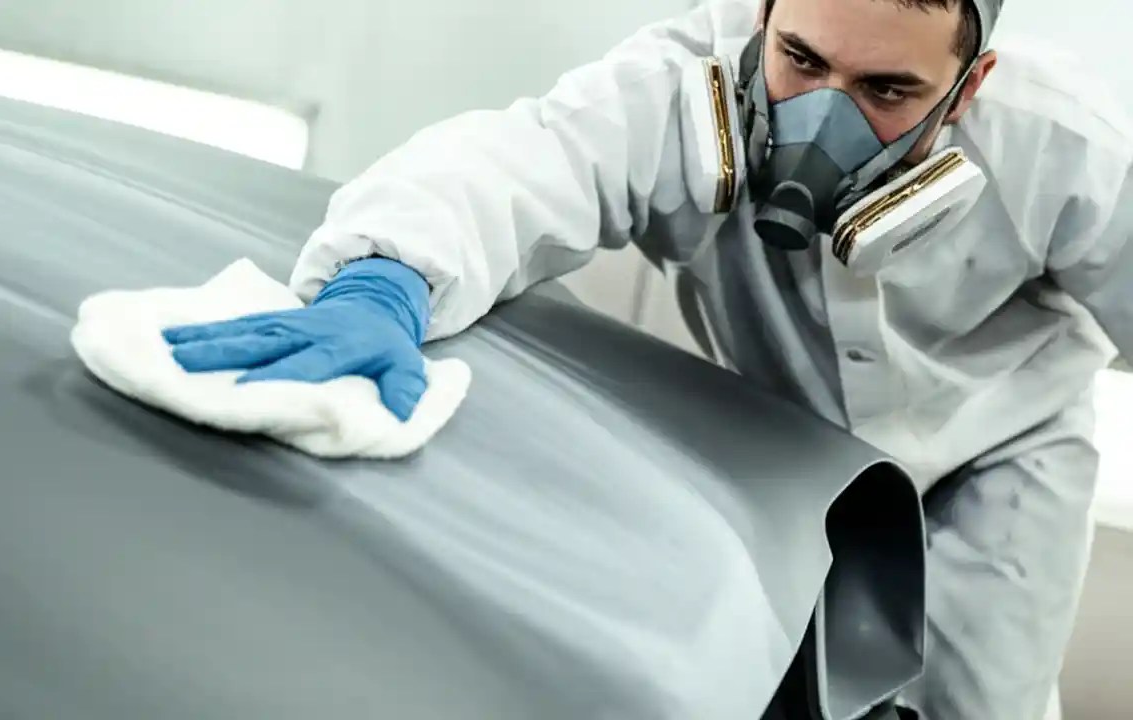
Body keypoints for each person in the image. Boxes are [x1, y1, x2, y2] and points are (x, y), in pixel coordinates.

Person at [159, 0, 1132, 717]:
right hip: (776, 437)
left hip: (1005, 454)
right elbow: (512, 167)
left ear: (968, 88)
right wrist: (382, 285)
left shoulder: (1066, 148)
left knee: (981, 702)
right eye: (797, 60)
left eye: (886, 91)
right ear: (759, 17)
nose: (822, 119)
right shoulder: (672, 95)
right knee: (754, 678)